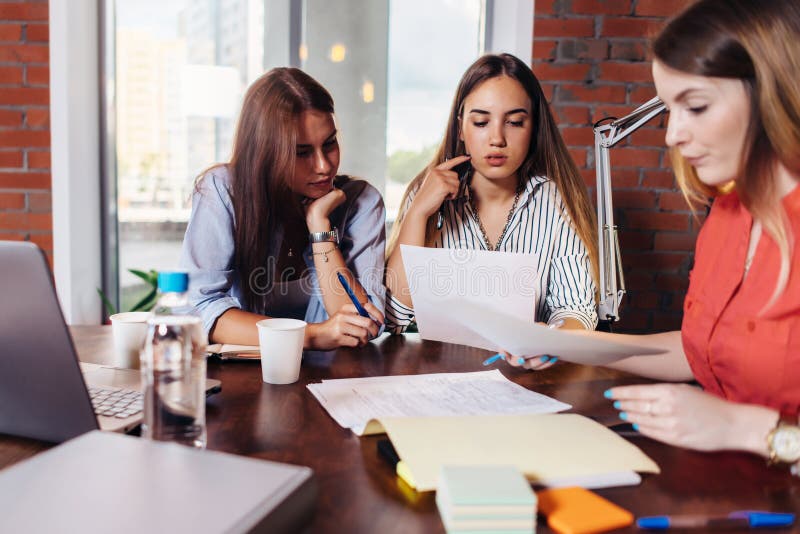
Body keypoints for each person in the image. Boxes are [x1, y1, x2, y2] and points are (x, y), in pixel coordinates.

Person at [534, 0, 800, 472]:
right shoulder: (728, 214)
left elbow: (735, 417)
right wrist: (561, 342)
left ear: (770, 92)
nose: (672, 134)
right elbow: (700, 350)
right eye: (669, 109)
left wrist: (742, 428)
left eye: (694, 106)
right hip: (720, 485)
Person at [384, 53, 599, 364]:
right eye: (481, 122)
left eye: (514, 122)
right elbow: (395, 316)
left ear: (533, 128)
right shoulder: (426, 195)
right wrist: (418, 214)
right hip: (440, 379)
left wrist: (549, 342)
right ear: (460, 128)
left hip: (526, 377)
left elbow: (575, 309)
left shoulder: (556, 201)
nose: (497, 138)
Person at [180, 68, 385, 350]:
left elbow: (362, 323)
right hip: (245, 379)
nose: (324, 166)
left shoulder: (362, 202)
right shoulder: (223, 189)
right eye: (301, 152)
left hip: (334, 380)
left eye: (329, 144)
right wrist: (312, 336)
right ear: (265, 152)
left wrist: (320, 230)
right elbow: (200, 308)